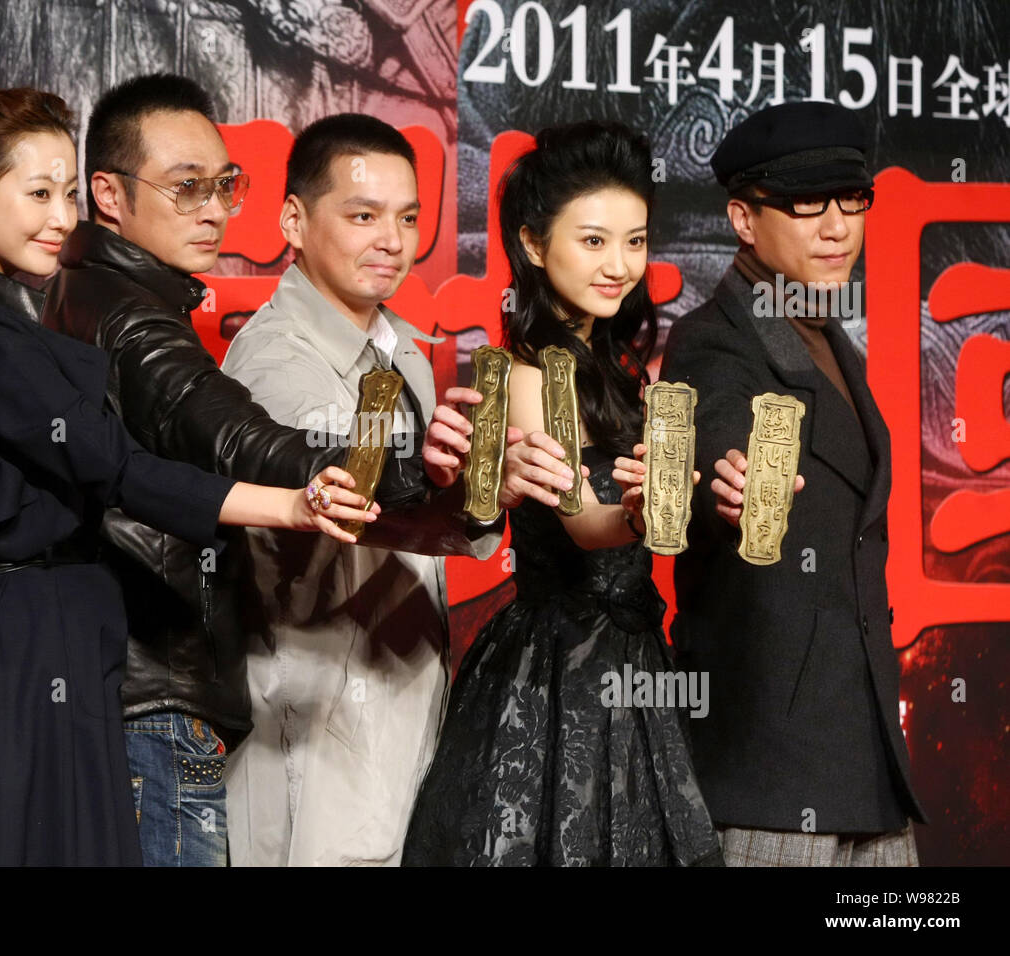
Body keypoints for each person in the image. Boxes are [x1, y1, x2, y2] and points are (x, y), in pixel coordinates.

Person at [0, 64, 372, 866]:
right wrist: (292, 505)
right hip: (10, 652)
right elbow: (119, 469)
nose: (64, 218)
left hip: (35, 642)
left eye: (68, 194)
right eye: (38, 194)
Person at [41, 75, 501, 865]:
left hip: (365, 713)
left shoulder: (404, 351)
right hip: (277, 715)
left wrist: (479, 485)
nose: (213, 209)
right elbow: (252, 445)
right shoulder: (161, 328)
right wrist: (416, 475)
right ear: (108, 195)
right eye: (187, 188)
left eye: (224, 186)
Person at [220, 114, 575, 866]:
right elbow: (355, 500)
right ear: (293, 220)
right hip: (315, 720)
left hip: (403, 702)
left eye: (408, 218)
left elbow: (430, 510)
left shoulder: (404, 351)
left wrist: (482, 485)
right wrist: (460, 486)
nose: (392, 239)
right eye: (363, 216)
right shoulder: (274, 358)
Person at [402, 121, 722, 867]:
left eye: (635, 241)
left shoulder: (615, 365)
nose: (620, 265)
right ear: (534, 244)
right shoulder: (523, 373)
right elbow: (584, 522)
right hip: (560, 669)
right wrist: (638, 514)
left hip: (633, 658)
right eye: (594, 241)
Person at [660, 100, 927, 866]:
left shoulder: (830, 338)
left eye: (852, 200)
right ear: (743, 218)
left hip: (866, 762)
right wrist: (730, 486)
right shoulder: (713, 340)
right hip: (772, 772)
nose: (837, 227)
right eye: (807, 204)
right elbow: (717, 440)